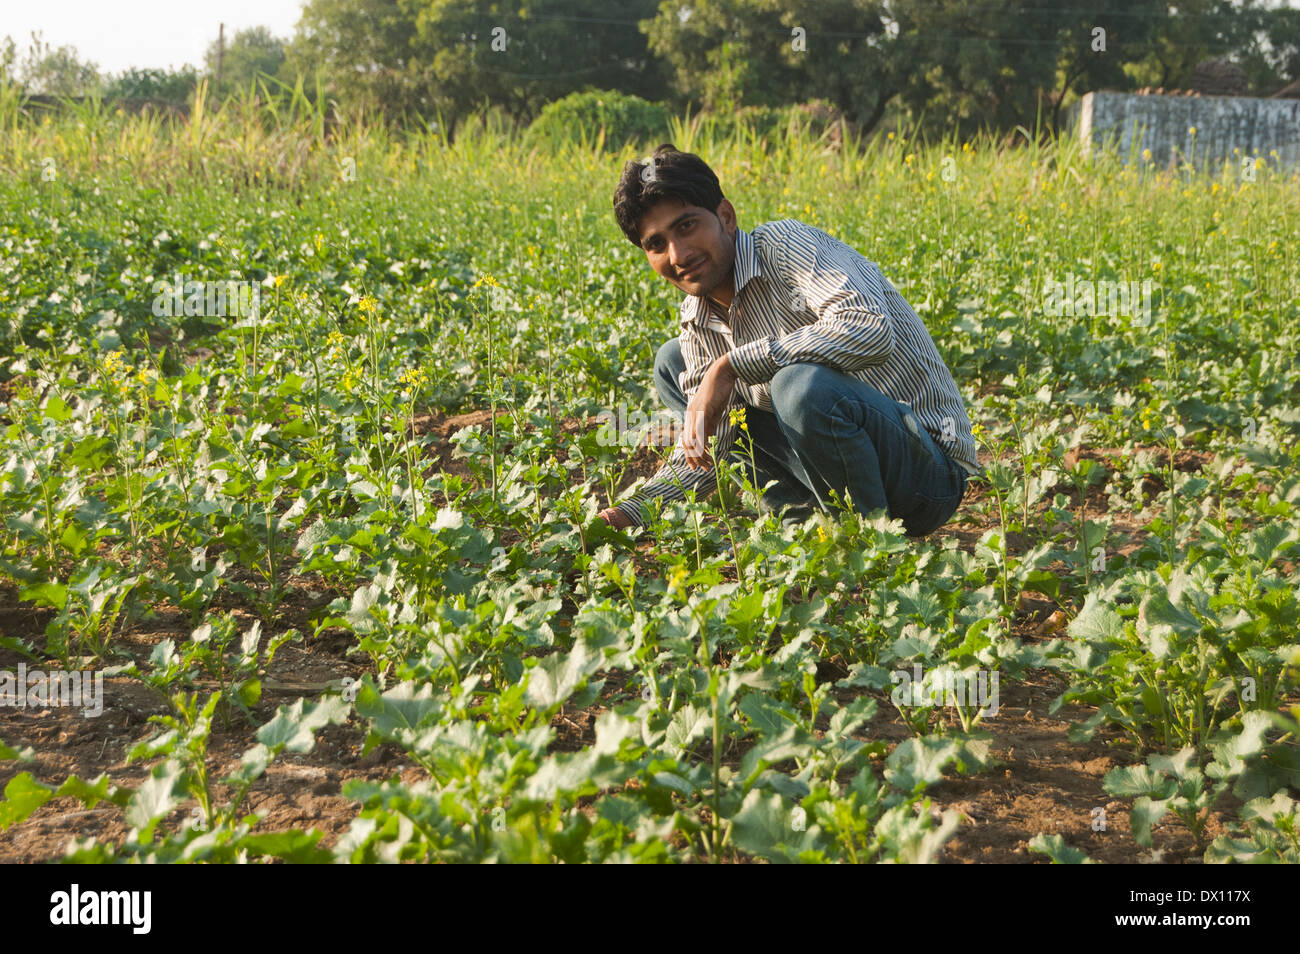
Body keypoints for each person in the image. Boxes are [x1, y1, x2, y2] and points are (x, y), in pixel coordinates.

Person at [595, 143, 981, 537]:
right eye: (656, 244)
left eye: (687, 226)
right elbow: (711, 449)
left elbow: (871, 329)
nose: (678, 254)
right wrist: (632, 512)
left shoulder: (785, 246)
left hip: (926, 474)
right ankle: (800, 526)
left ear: (725, 217)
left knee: (796, 385)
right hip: (832, 471)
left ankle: (866, 543)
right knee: (672, 362)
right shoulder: (697, 320)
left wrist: (731, 366)